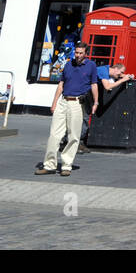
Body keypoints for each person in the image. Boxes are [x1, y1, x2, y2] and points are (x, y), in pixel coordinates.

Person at [37, 43, 99, 176]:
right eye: (76, 52)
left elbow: (94, 84)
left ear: (86, 54)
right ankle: (49, 165)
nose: (78, 55)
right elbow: (61, 84)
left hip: (77, 103)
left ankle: (66, 165)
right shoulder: (68, 64)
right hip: (63, 101)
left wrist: (96, 102)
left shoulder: (91, 66)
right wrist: (54, 103)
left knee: (73, 136)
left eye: (81, 53)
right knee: (54, 135)